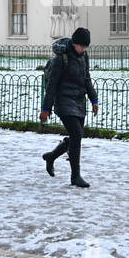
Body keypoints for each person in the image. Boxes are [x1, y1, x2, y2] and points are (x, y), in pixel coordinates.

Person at [40, 27, 99, 188]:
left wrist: (94, 99)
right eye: (81, 46)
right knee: (76, 134)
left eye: (86, 47)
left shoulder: (84, 56)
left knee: (76, 136)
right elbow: (51, 85)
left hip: (79, 101)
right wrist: (46, 108)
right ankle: (75, 176)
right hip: (63, 101)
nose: (83, 49)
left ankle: (51, 157)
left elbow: (87, 79)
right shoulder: (61, 59)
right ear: (74, 43)